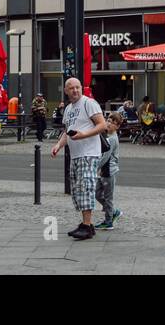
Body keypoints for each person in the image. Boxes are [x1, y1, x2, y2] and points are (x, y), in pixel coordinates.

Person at [52, 77, 106, 241]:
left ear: (81, 88)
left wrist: (84, 135)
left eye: (77, 87)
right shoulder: (68, 109)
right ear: (66, 91)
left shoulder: (88, 103)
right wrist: (58, 145)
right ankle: (87, 225)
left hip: (89, 153)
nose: (75, 90)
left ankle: (86, 226)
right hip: (76, 154)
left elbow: (102, 125)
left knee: (85, 187)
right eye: (71, 88)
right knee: (77, 190)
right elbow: (67, 131)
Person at [94, 111, 123, 230]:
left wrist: (95, 168)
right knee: (97, 194)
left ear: (117, 126)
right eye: (109, 121)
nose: (109, 124)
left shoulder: (112, 139)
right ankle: (114, 212)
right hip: (104, 170)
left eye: (113, 123)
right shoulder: (107, 135)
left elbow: (106, 156)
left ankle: (108, 221)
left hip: (109, 170)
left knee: (108, 197)